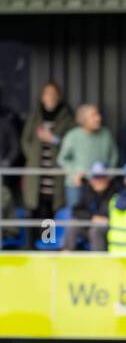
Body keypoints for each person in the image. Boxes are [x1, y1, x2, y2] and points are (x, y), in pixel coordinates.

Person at [20, 82, 75, 232]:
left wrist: (53, 139)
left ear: (58, 96)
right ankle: (31, 247)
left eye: (53, 93)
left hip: (55, 172)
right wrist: (32, 156)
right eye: (47, 93)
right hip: (37, 170)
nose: (50, 97)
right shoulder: (35, 115)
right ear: (42, 97)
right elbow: (25, 139)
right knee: (33, 207)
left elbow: (72, 143)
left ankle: (46, 245)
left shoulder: (66, 117)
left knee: (50, 212)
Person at [57, 104, 119, 203]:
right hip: (78, 184)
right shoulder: (72, 136)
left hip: (101, 183)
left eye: (98, 114)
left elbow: (114, 157)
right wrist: (74, 173)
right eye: (93, 115)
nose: (99, 118)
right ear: (83, 119)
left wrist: (108, 176)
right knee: (76, 215)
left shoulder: (106, 134)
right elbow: (62, 159)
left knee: (101, 215)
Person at [63, 160, 119, 251]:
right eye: (95, 177)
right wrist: (92, 217)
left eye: (101, 177)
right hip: (90, 223)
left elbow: (116, 213)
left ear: (107, 178)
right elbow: (76, 210)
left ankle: (98, 261)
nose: (98, 180)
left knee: (96, 230)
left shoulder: (115, 191)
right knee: (73, 223)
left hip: (108, 227)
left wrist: (106, 219)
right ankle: (65, 255)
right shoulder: (88, 190)